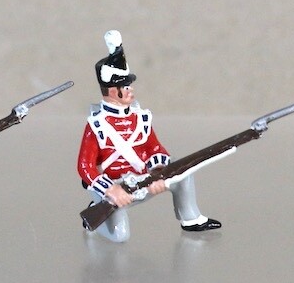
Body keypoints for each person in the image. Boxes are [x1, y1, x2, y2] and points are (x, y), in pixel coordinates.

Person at [77, 30, 220, 243]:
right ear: (114, 91)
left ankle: (190, 219)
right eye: (125, 87)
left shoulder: (140, 118)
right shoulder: (97, 125)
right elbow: (85, 167)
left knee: (182, 174)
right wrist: (112, 190)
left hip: (144, 179)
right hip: (115, 188)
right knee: (120, 236)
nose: (131, 90)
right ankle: (94, 216)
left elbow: (154, 147)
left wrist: (159, 170)